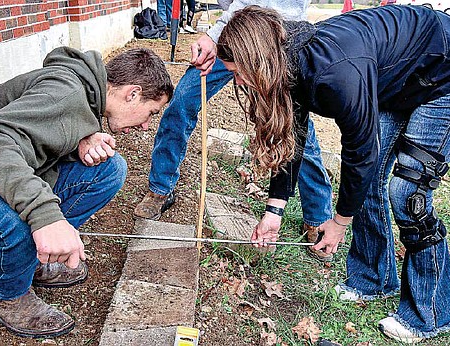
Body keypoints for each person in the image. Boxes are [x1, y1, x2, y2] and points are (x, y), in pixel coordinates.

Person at [216, 5, 450, 343]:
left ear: (259, 60)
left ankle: (432, 314)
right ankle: (374, 279)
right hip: (401, 76)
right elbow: (292, 139)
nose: (238, 82)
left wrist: (339, 221)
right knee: (369, 182)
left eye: (239, 72)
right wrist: (274, 211)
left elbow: (361, 151)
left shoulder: (332, 74)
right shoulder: (289, 63)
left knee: (408, 193)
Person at [0, 46, 173, 338]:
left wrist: (76, 143)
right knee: (28, 215)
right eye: (151, 112)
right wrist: (45, 216)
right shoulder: (64, 94)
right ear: (132, 93)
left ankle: (30, 259)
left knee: (108, 170)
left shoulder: (78, 90)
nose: (147, 125)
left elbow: (31, 143)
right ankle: (6, 294)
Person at [134, 0, 336, 262]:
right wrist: (217, 35)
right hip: (230, 38)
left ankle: (318, 218)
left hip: (272, 42)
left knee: (294, 129)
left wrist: (213, 33)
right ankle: (160, 188)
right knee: (182, 101)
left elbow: (258, 4)